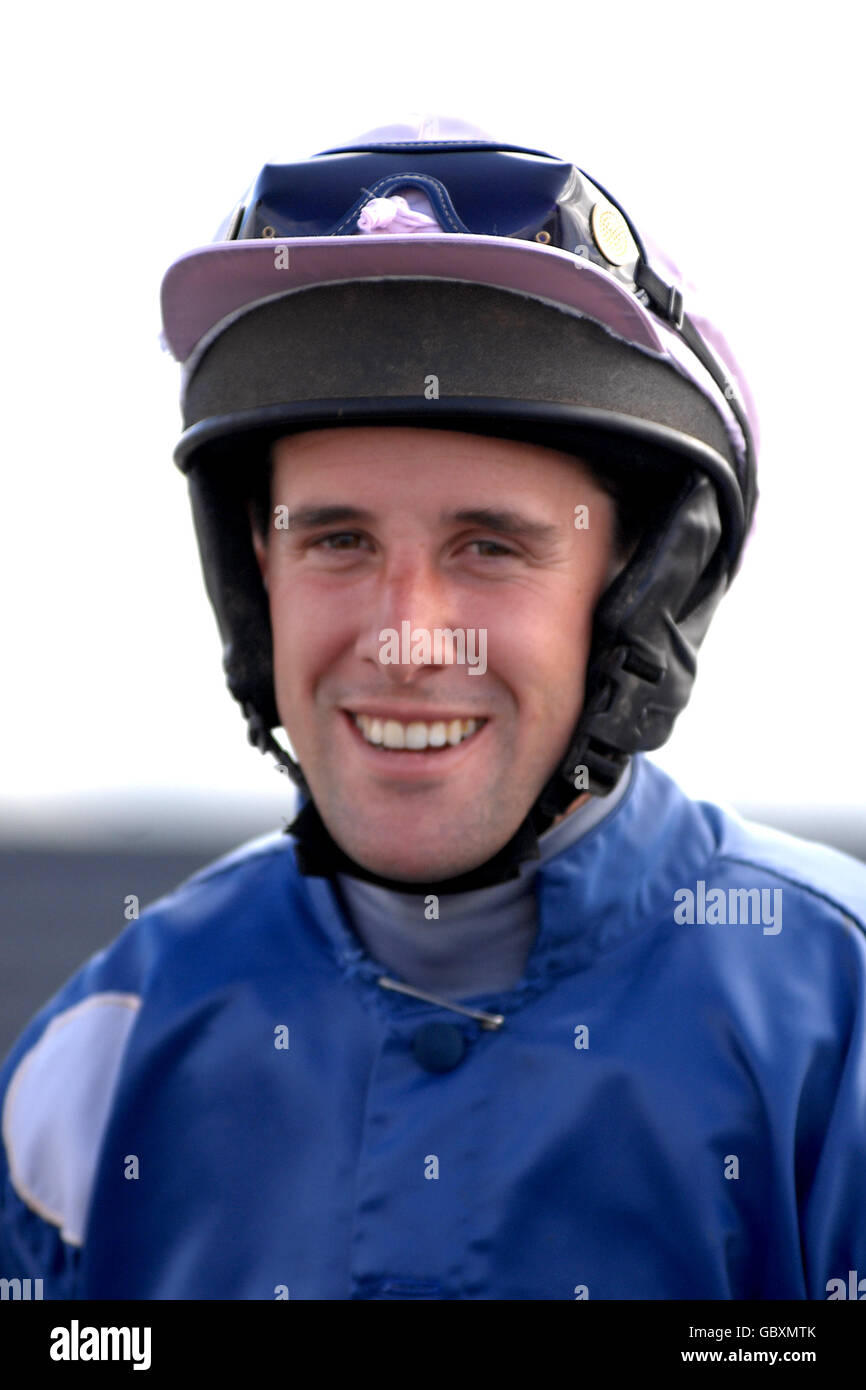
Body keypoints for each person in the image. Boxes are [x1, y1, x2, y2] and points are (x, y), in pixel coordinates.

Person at [1, 115, 864, 1302]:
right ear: (256, 572)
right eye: (339, 539)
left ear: (635, 591)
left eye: (490, 546)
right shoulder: (100, 1052)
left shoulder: (838, 1033)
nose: (406, 635)